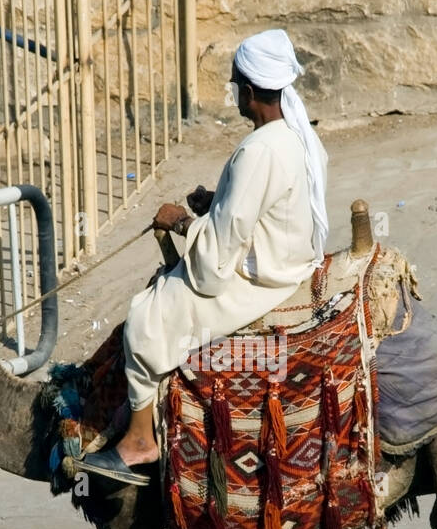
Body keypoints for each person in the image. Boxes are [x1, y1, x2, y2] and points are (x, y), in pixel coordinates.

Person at [77, 29, 330, 486]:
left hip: (263, 279)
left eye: (236, 85)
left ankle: (139, 440)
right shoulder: (295, 138)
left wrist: (179, 221)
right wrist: (215, 201)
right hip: (288, 261)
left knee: (145, 319)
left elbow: (214, 262)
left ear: (250, 91)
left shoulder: (257, 150)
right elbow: (264, 210)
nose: (235, 93)